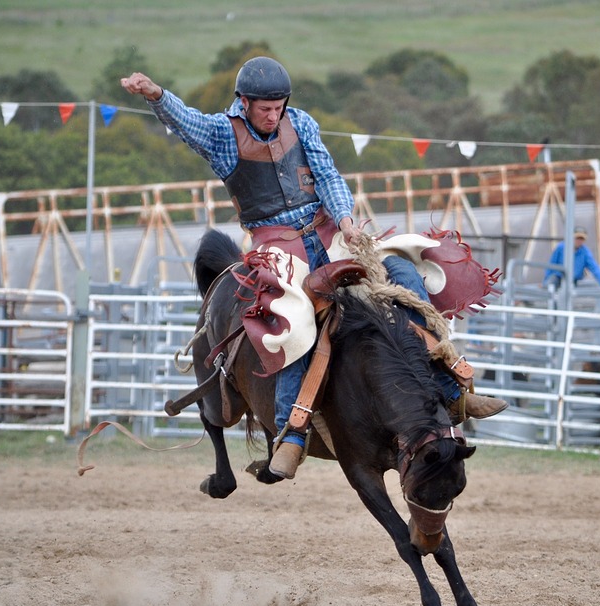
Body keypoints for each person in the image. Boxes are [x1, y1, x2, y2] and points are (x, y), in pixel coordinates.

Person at [121, 57, 506, 478]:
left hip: (327, 230)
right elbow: (187, 121)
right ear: (243, 102)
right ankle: (292, 432)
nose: (274, 115)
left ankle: (452, 390)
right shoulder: (221, 134)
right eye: (266, 108)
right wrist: (156, 95)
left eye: (279, 106)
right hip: (276, 244)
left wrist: (343, 217)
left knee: (405, 276)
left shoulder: (300, 123)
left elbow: (327, 174)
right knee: (292, 323)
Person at [543, 226, 600, 290]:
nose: (579, 241)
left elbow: (595, 269)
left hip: (574, 281)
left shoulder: (585, 252)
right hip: (558, 278)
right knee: (550, 287)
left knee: (573, 294)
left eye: (581, 239)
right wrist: (545, 281)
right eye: (577, 238)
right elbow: (551, 265)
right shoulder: (561, 248)